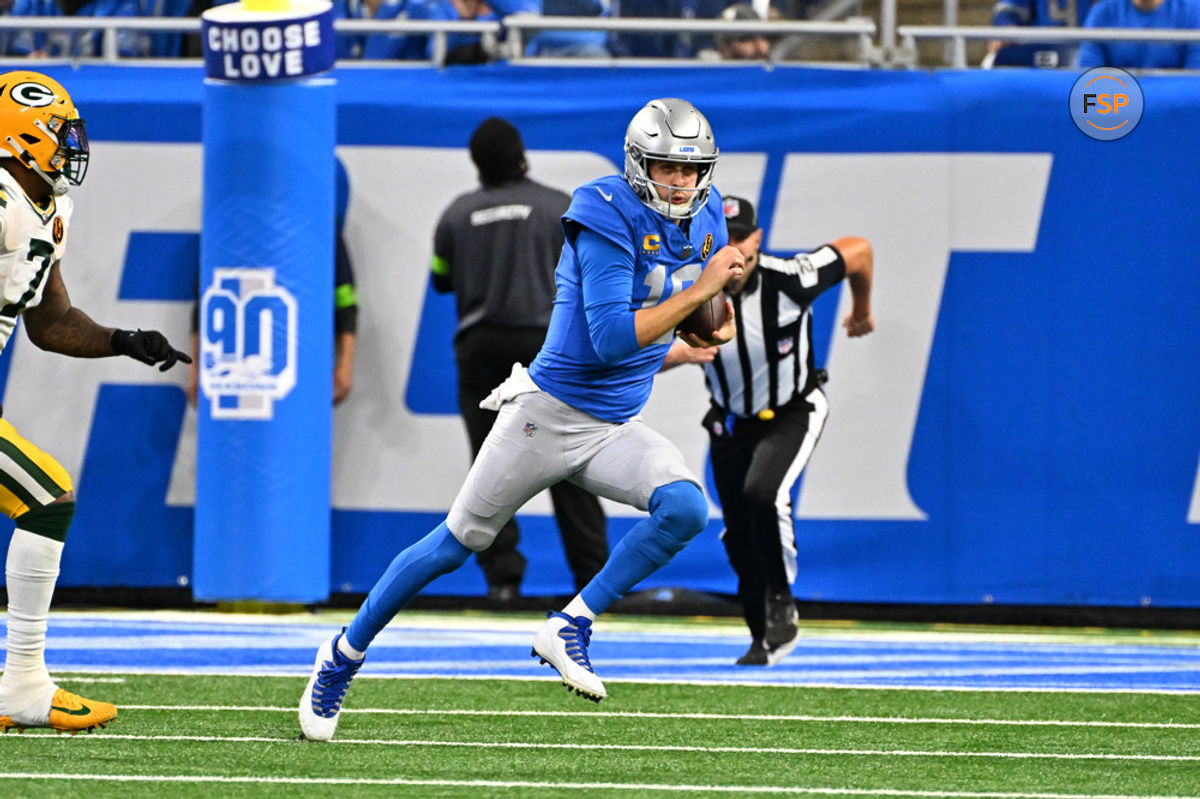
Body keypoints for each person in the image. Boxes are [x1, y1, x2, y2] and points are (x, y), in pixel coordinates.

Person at [300, 97, 743, 741]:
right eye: (666, 168)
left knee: (685, 510)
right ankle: (342, 654)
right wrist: (702, 293)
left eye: (691, 169)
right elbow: (613, 337)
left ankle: (569, 625)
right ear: (636, 164)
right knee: (454, 547)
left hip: (613, 424)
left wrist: (699, 332)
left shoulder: (706, 214)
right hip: (548, 414)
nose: (681, 183)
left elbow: (669, 329)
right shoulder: (602, 210)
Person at [0, 71, 190, 734]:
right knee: (47, 496)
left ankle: (20, 684)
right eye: (60, 133)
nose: (71, 147)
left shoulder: (43, 210)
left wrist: (124, 340)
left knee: (46, 497)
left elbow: (50, 324)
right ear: (23, 136)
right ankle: (21, 684)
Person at [431, 117, 609, 603]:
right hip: (545, 349)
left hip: (481, 351)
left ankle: (502, 581)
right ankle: (593, 580)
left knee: (493, 464)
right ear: (521, 155)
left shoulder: (456, 214)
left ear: (477, 163)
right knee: (571, 460)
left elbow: (441, 278)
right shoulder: (558, 208)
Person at [700, 196, 873, 666]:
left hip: (794, 407)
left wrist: (861, 310)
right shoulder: (690, 286)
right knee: (738, 534)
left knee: (764, 494)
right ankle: (763, 635)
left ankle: (781, 596)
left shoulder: (791, 278)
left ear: (757, 238)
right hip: (731, 420)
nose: (734, 251)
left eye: (742, 238)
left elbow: (857, 251)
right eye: (723, 239)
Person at [187, 156, 357, 406]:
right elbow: (204, 302)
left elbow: (345, 300)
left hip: (303, 367)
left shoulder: (320, 228)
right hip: (235, 370)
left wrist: (345, 364)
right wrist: (195, 368)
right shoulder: (228, 229)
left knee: (298, 441)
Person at [1078, 0, 1200, 69]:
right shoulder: (1102, 12)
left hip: (1175, 108)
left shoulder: (1193, 11)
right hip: (1118, 106)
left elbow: (1193, 81)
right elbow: (1089, 74)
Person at [986, 0, 1095, 68]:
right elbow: (1008, 12)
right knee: (1003, 57)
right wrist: (1006, 26)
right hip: (1039, 50)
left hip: (1089, 50)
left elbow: (1108, 14)